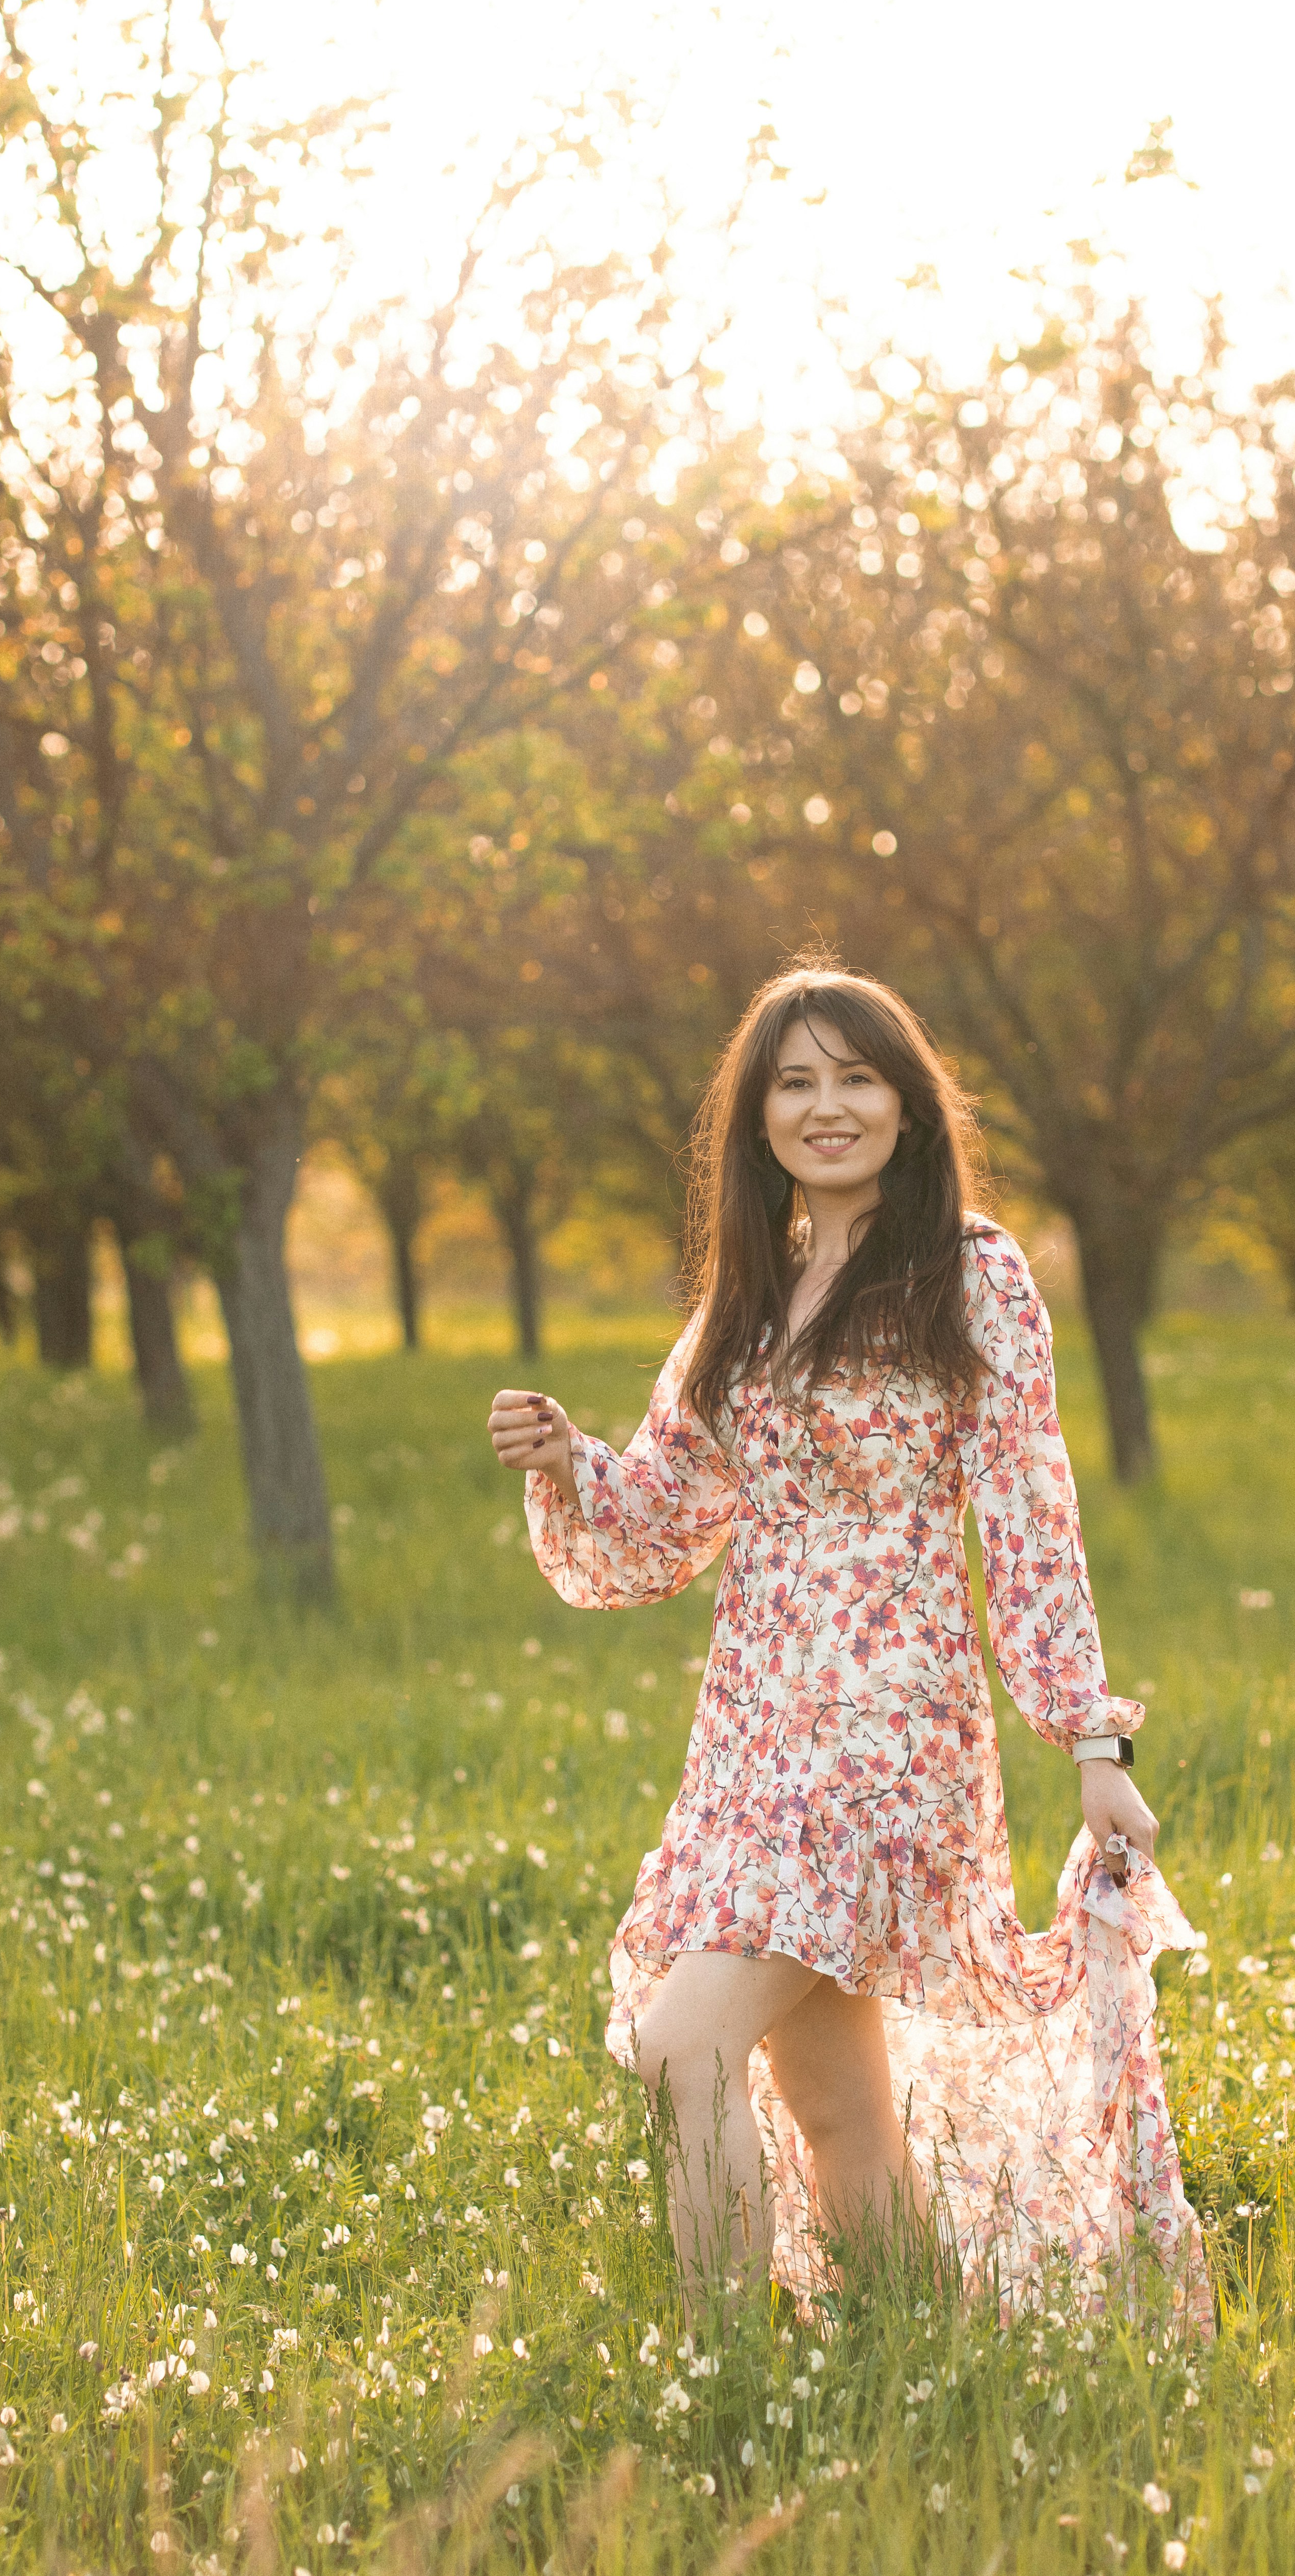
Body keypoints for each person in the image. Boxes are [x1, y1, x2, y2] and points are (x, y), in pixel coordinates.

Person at [487, 963, 1209, 2330]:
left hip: (889, 1744)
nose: (829, 1108)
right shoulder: (744, 1303)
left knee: (681, 2043)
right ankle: (915, 2367)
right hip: (754, 1745)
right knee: (838, 2117)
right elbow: (660, 1526)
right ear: (757, 1120)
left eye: (857, 1077)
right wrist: (568, 1460)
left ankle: (722, 2379)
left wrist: (1092, 1738)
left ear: (908, 1103)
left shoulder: (968, 1275)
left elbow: (1032, 1519)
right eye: (797, 1084)